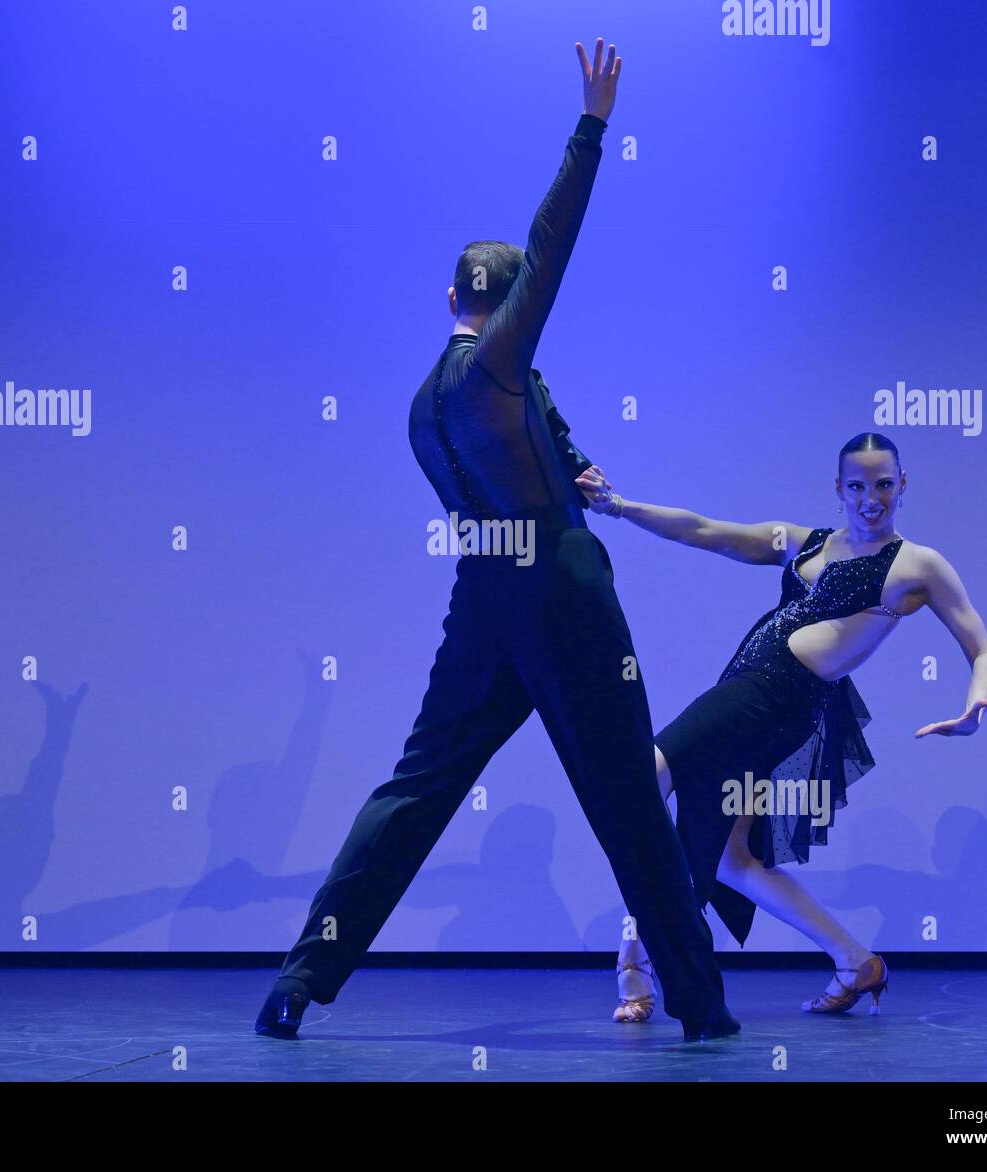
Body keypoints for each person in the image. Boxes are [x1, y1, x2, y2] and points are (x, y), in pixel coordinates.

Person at [256, 38, 740, 1042]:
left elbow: (511, 472)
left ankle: (298, 981)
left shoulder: (421, 406)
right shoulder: (496, 370)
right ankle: (701, 1005)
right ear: (507, 310)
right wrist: (591, 123)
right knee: (628, 808)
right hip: (560, 593)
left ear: (447, 302)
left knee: (415, 788)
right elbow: (551, 244)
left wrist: (572, 471)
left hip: (484, 597)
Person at [575, 433, 987, 1018]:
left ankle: (635, 959)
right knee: (733, 860)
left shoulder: (917, 565)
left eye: (883, 485)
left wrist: (976, 705)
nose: (871, 499)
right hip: (740, 690)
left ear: (903, 484)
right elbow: (706, 531)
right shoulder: (803, 542)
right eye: (857, 486)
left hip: (776, 702)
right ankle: (854, 961)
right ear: (838, 489)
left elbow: (980, 647)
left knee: (646, 778)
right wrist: (619, 507)